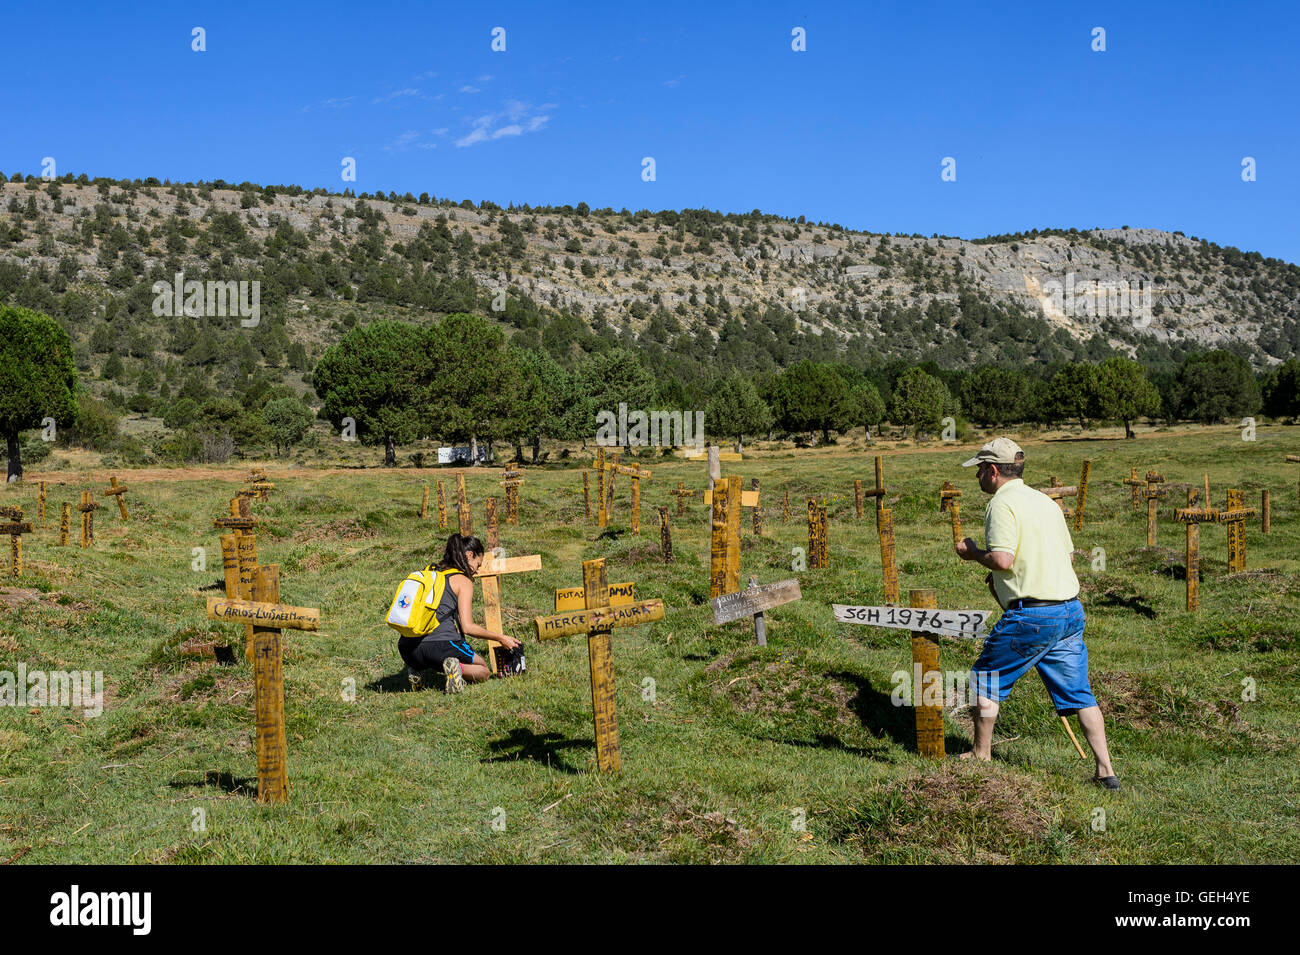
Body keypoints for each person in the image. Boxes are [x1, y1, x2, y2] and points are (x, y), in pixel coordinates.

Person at [953, 437, 1120, 790]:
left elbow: (1002, 559)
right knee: (1079, 693)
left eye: (981, 469)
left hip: (1033, 616)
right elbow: (1067, 557)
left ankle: (981, 755)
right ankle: (1106, 771)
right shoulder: (1047, 502)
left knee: (985, 678)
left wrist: (972, 552)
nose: (979, 476)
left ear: (993, 471)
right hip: (1070, 610)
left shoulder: (1001, 504)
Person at [398, 533, 522, 694]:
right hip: (438, 647)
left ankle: (416, 669)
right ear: (470, 555)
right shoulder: (462, 581)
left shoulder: (431, 573)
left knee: (429, 652)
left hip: (407, 648)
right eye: (478, 564)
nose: (477, 571)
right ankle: (455, 666)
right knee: (483, 670)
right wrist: (500, 637)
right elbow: (468, 627)